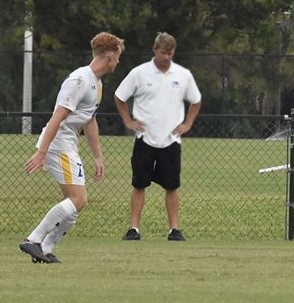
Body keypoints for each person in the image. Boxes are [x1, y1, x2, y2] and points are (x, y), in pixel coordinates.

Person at [19, 32, 125, 263]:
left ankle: (45, 250)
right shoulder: (80, 80)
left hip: (68, 145)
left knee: (75, 204)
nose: (118, 61)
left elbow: (90, 120)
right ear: (109, 55)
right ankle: (33, 240)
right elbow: (58, 116)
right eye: (117, 56)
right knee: (79, 199)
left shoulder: (96, 84)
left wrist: (98, 157)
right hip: (59, 144)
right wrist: (42, 152)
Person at [115, 32, 201, 241]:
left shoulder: (183, 75)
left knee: (172, 186)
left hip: (171, 140)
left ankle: (174, 229)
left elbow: (196, 100)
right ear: (155, 51)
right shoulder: (139, 73)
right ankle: (134, 228)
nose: (166, 57)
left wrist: (188, 124)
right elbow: (119, 96)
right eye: (163, 53)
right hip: (145, 139)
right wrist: (128, 121)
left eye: (170, 53)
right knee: (139, 184)